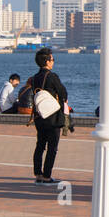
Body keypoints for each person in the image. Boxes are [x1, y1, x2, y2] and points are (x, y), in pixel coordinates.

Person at [27, 48, 67, 185]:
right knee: (52, 147)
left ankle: (38, 174)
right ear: (47, 61)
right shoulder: (52, 76)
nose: (53, 62)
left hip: (39, 116)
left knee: (40, 145)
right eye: (52, 59)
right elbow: (63, 93)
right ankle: (47, 176)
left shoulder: (34, 78)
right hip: (52, 117)